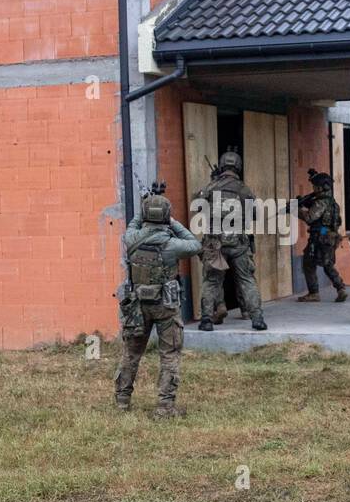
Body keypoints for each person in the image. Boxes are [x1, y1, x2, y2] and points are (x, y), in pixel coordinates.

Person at [114, 186, 202, 417]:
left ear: (144, 215)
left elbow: (133, 225)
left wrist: (143, 210)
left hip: (136, 307)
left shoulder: (131, 239)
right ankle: (165, 406)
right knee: (169, 354)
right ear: (165, 215)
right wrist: (171, 221)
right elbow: (194, 244)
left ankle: (122, 400)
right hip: (165, 306)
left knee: (131, 353)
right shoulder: (171, 245)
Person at [193, 150, 266, 331]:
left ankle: (207, 320)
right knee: (246, 280)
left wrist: (212, 183)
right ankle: (257, 318)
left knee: (211, 281)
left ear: (223, 166)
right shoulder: (244, 189)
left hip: (215, 242)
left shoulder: (211, 187)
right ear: (238, 167)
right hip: (238, 243)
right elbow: (255, 214)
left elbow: (198, 206)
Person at [296, 169, 347, 303]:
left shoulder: (321, 202)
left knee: (308, 263)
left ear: (320, 187)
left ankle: (314, 293)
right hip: (329, 235)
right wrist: (305, 203)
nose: (313, 188)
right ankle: (341, 288)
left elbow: (310, 218)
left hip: (320, 236)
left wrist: (298, 210)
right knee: (327, 264)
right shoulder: (331, 202)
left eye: (315, 186)